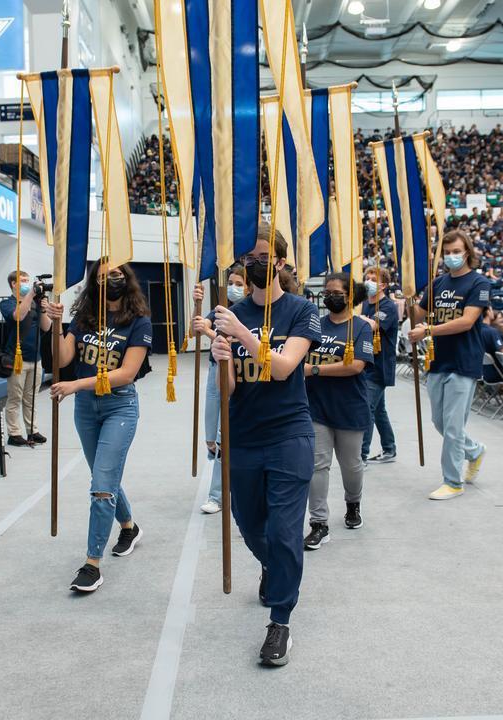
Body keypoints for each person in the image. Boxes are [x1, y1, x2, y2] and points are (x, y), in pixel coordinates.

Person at [209, 224, 321, 666]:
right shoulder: (232, 312)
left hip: (289, 434)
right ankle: (274, 568)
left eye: (261, 256)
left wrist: (240, 333)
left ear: (279, 261)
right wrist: (222, 359)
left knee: (284, 530)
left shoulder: (300, 310)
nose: (253, 264)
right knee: (250, 523)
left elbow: (283, 366)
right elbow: (232, 388)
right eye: (247, 258)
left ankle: (280, 621)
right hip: (245, 436)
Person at [44, 262, 152, 594]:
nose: (111, 281)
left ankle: (92, 564)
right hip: (86, 409)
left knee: (102, 484)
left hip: (119, 405)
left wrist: (77, 384)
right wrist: (56, 323)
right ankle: (129, 527)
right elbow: (62, 359)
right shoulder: (84, 318)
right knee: (103, 476)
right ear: (94, 283)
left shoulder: (139, 322)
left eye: (117, 275)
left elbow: (127, 373)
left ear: (127, 279)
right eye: (104, 277)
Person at [408, 230, 490, 500]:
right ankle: (475, 450)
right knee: (440, 422)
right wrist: (410, 297)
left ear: (467, 252)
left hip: (464, 361)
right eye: (448, 252)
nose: (452, 256)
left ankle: (453, 481)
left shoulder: (478, 283)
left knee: (453, 426)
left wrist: (429, 329)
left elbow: (467, 322)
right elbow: (418, 313)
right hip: (437, 360)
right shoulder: (438, 283)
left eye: (457, 251)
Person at [303, 273, 374, 550]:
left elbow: (356, 366)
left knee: (351, 465)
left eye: (337, 292)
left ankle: (353, 504)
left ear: (350, 296)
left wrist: (316, 369)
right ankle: (319, 523)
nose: (331, 297)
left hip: (350, 409)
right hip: (316, 407)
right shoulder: (315, 326)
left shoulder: (361, 328)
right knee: (317, 466)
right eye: (327, 293)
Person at [190, 266, 247, 514]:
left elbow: (235, 342)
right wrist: (196, 305)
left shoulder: (249, 313)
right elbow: (194, 330)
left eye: (239, 282)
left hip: (241, 372)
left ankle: (217, 494)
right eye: (231, 282)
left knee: (228, 434)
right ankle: (219, 489)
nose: (234, 287)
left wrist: (209, 332)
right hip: (218, 371)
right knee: (213, 435)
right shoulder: (221, 309)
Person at [0, 271, 50, 447]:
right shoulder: (7, 303)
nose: (27, 283)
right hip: (17, 358)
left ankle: (32, 430)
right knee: (15, 397)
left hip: (35, 357)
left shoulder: (34, 303)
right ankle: (14, 433)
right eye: (23, 281)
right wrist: (30, 295)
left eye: (28, 281)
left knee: (32, 397)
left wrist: (43, 308)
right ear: (13, 284)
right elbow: (18, 316)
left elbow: (46, 326)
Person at [359, 266, 399, 465]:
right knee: (378, 410)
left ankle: (361, 456)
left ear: (383, 284)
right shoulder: (366, 304)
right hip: (367, 364)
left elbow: (373, 325)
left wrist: (355, 318)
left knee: (367, 409)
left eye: (373, 278)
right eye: (367, 277)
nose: (369, 281)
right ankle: (389, 448)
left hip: (380, 366)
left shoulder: (388, 306)